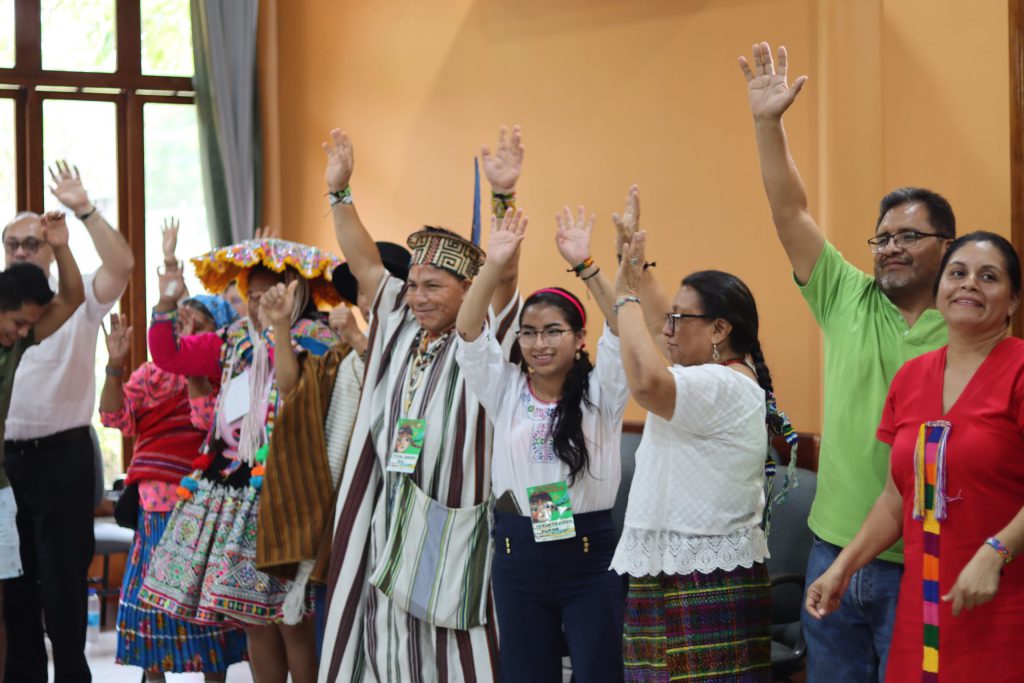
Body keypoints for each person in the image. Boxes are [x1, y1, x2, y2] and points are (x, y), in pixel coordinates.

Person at [739, 42, 955, 680]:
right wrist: (766, 124)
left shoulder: (970, 323)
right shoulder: (845, 296)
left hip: (925, 559)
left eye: (908, 237)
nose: (890, 247)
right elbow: (790, 211)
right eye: (882, 237)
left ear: (948, 246)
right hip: (833, 549)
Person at [316, 125, 524, 682]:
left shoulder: (482, 339)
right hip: (385, 512)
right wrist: (340, 191)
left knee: (447, 649)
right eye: (413, 284)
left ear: (466, 289)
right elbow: (362, 261)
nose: (418, 296)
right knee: (384, 646)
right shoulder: (402, 324)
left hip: (446, 521)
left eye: (434, 286)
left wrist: (503, 198)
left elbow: (504, 283)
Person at [806, 232, 1024, 682]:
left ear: (1013, 301)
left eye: (988, 277)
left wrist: (997, 551)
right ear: (940, 289)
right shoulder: (912, 377)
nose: (968, 285)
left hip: (1002, 598)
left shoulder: (1019, 370)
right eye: (957, 274)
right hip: (921, 601)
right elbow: (894, 497)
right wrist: (842, 567)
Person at [140, 241, 339, 683]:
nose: (261, 301)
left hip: (286, 489)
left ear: (298, 293)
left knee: (293, 620)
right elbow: (168, 356)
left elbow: (293, 392)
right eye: (253, 292)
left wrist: (281, 329)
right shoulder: (233, 341)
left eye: (272, 291)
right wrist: (167, 300)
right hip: (232, 485)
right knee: (251, 616)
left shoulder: (320, 340)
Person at [455, 205, 628, 682]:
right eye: (529, 333)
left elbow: (623, 326)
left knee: (599, 671)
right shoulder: (506, 387)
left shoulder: (603, 392)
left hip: (589, 555)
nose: (539, 343)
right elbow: (469, 331)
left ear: (579, 338)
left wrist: (587, 266)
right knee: (525, 673)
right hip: (517, 553)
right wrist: (493, 266)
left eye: (553, 331)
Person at [612, 229, 794, 682]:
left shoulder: (724, 384)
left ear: (719, 328)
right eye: (671, 317)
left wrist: (624, 295)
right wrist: (623, 270)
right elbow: (650, 324)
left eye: (681, 319)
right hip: (676, 570)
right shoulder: (708, 375)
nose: (668, 331)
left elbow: (646, 380)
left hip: (702, 580)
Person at [3, 162, 134, 683]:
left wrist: (83, 210)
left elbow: (121, 265)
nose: (18, 252)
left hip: (64, 458)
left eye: (30, 243)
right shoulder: (1, 305)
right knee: (14, 589)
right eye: (11, 243)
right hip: (8, 465)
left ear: (51, 244)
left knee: (61, 592)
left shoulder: (72, 299)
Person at [99, 244, 246, 681]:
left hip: (208, 496)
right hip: (156, 496)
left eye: (194, 320)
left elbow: (207, 427)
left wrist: (194, 369)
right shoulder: (151, 374)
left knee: (203, 596)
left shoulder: (228, 376)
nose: (183, 324)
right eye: (179, 317)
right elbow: (114, 418)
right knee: (154, 592)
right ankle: (153, 674)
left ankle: (213, 673)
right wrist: (114, 365)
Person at [264, 242, 410, 655]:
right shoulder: (341, 354)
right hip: (344, 509)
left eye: (375, 285)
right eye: (362, 289)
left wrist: (360, 340)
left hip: (394, 510)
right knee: (341, 629)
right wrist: (279, 326)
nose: (368, 298)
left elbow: (396, 393)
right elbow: (293, 389)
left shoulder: (418, 349)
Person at [0, 211, 83, 682]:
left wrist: (63, 245)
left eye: (29, 325)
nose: (25, 332)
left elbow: (72, 297)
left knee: (29, 593)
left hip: (10, 481)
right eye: (17, 322)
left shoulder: (17, 343)